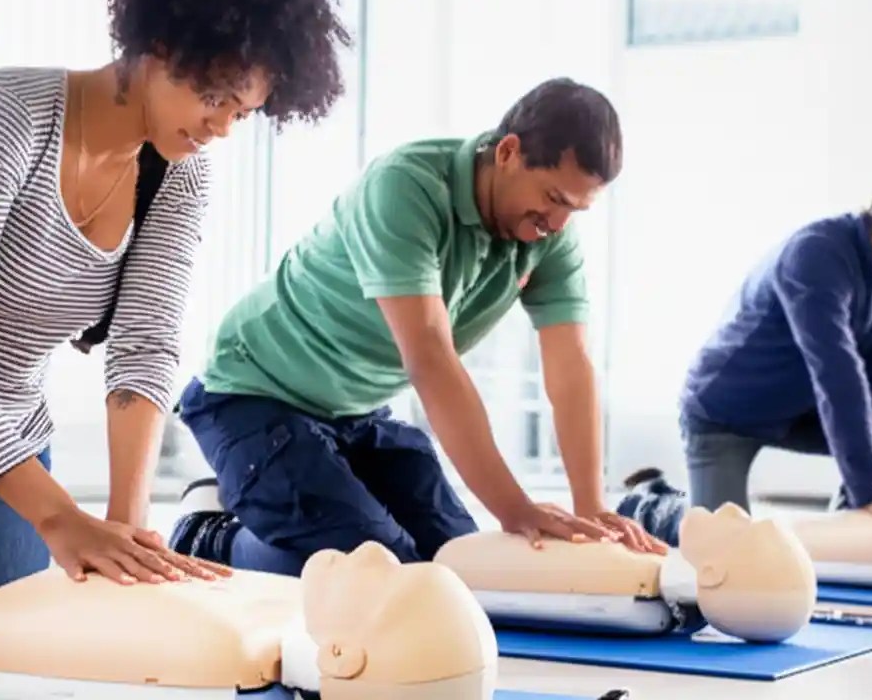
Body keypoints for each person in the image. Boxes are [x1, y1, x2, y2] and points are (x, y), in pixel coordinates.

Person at [0, 0, 350, 680]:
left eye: (243, 111)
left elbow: (143, 348)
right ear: (161, 47)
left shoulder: (178, 173)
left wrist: (124, 529)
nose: (222, 127)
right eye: (215, 97)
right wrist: (59, 519)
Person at [168, 77, 665, 577]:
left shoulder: (548, 234)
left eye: (574, 210)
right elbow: (430, 357)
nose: (557, 223)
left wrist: (590, 504)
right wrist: (515, 508)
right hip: (254, 395)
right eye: (553, 197)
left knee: (458, 566)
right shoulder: (405, 187)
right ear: (509, 152)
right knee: (384, 571)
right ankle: (208, 535)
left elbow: (570, 366)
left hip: (356, 413)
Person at [619, 168, 872, 546]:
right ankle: (650, 504)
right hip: (725, 412)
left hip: (796, 411)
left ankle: (851, 526)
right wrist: (870, 491)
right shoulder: (817, 254)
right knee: (723, 544)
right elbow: (836, 373)